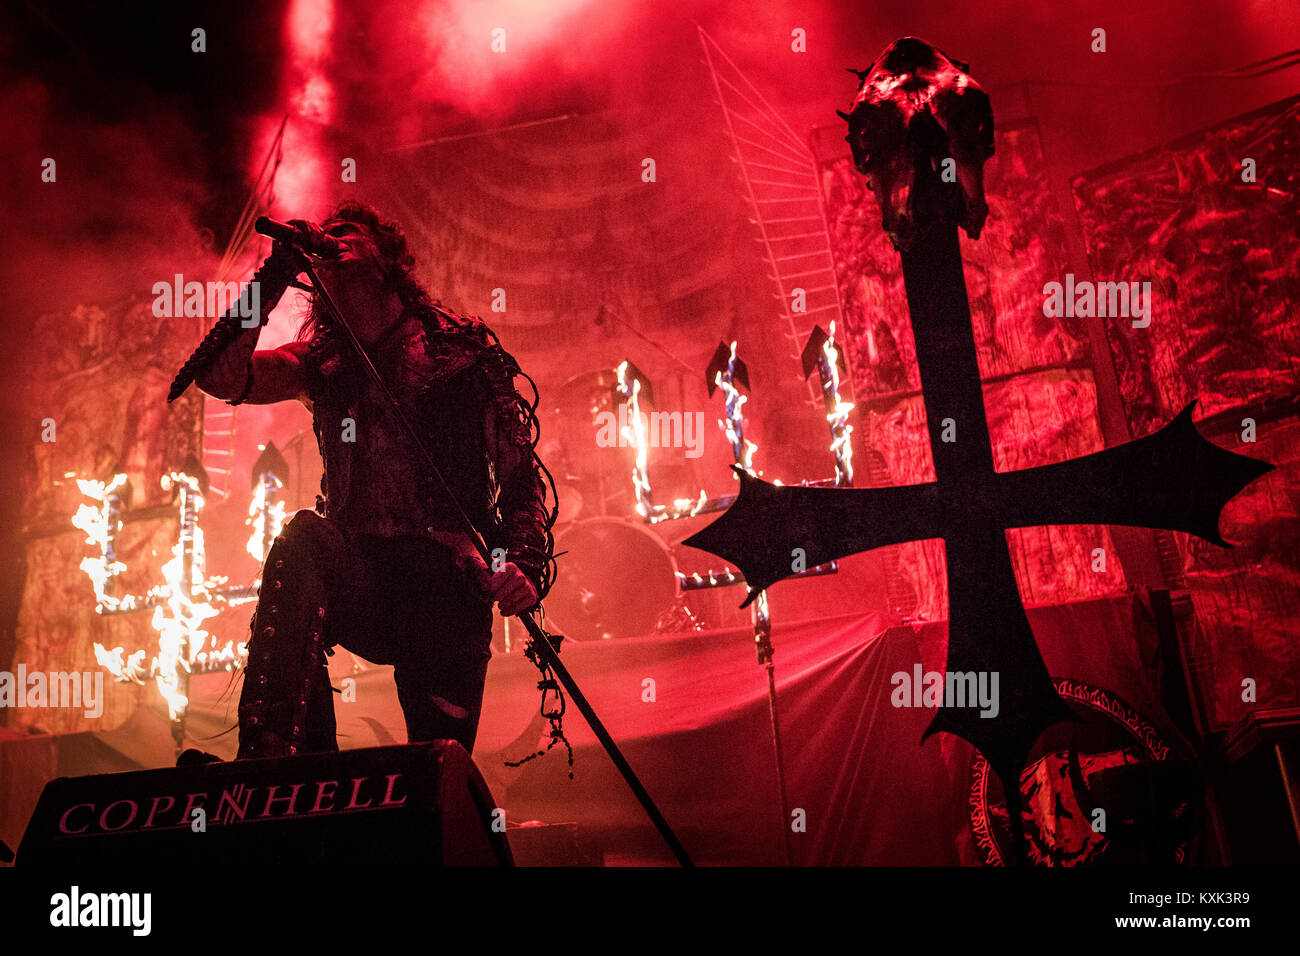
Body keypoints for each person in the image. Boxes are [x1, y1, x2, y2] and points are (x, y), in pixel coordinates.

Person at [196, 201, 555, 758]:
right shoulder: (323, 362)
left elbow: (518, 475)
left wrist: (520, 563)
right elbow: (223, 378)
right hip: (362, 576)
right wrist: (273, 277)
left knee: (433, 774)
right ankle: (276, 757)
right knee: (304, 539)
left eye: (348, 232)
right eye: (327, 234)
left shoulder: (460, 350)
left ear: (388, 256)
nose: (333, 240)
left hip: (446, 588)